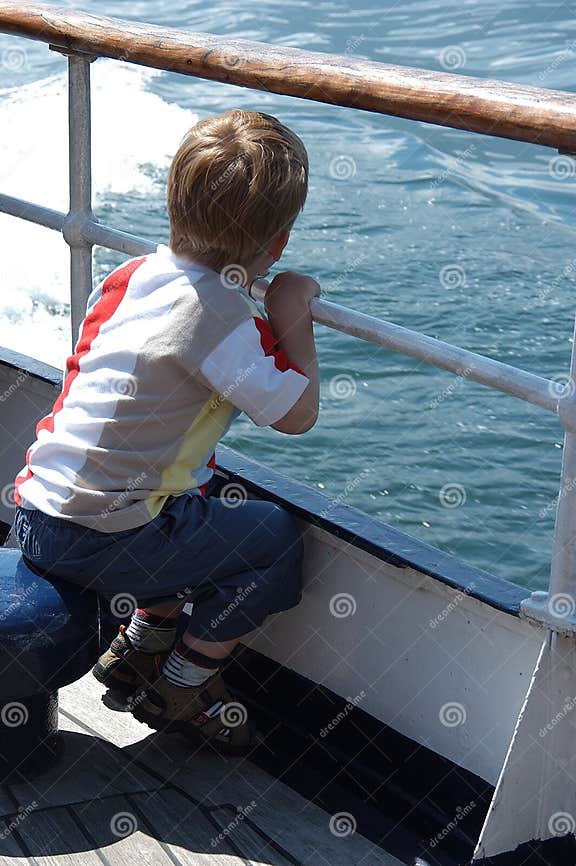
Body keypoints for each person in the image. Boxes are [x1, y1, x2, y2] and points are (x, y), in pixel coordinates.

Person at [12, 108, 320, 754]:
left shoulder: (128, 278)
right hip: (101, 540)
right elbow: (297, 414)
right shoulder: (223, 320)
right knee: (269, 541)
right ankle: (182, 684)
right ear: (278, 245)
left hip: (35, 512)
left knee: (188, 487)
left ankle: (142, 642)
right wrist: (292, 315)